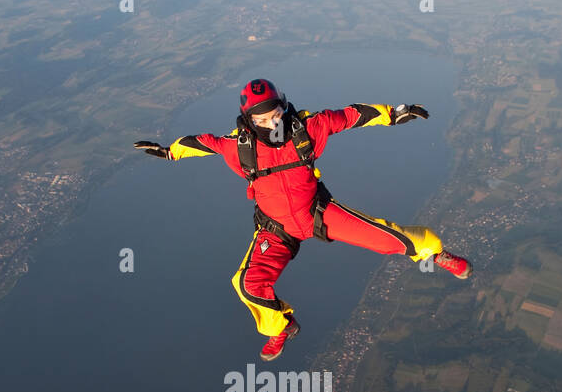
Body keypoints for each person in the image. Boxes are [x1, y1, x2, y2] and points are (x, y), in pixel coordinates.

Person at [135, 77, 472, 360]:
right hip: (276, 229)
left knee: (387, 239)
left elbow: (352, 116)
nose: (272, 122)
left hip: (317, 214)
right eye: (262, 119)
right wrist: (170, 152)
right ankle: (282, 325)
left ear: (285, 106)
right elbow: (203, 142)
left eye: (276, 113)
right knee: (247, 285)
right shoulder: (239, 147)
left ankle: (435, 253)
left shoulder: (308, 128)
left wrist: (394, 114)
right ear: (248, 120)